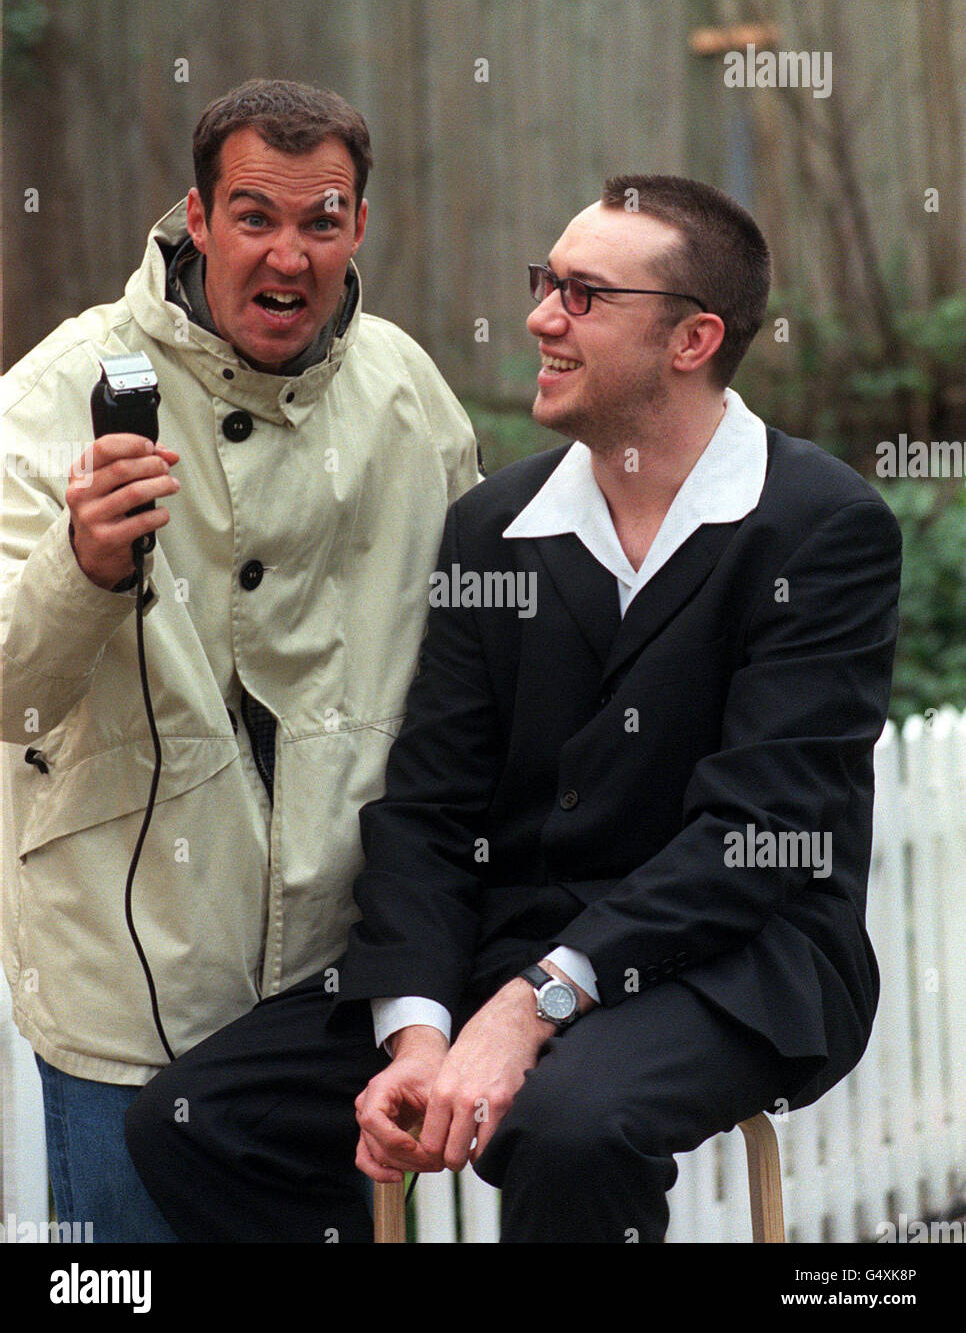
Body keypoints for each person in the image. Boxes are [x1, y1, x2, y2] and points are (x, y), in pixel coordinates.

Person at [125, 174, 902, 1243]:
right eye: (547, 283)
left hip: (740, 957)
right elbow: (432, 807)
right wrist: (417, 1030)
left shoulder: (820, 527)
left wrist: (532, 1006)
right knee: (201, 1116)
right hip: (510, 947)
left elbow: (760, 836)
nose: (540, 315)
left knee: (569, 1125)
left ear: (692, 339)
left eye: (583, 294)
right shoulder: (493, 528)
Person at [0, 78, 479, 1242]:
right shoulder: (51, 394)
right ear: (199, 219)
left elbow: (473, 681)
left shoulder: (411, 395)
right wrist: (86, 568)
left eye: (322, 220)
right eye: (255, 217)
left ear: (360, 226)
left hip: (330, 991)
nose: (289, 253)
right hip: (130, 967)